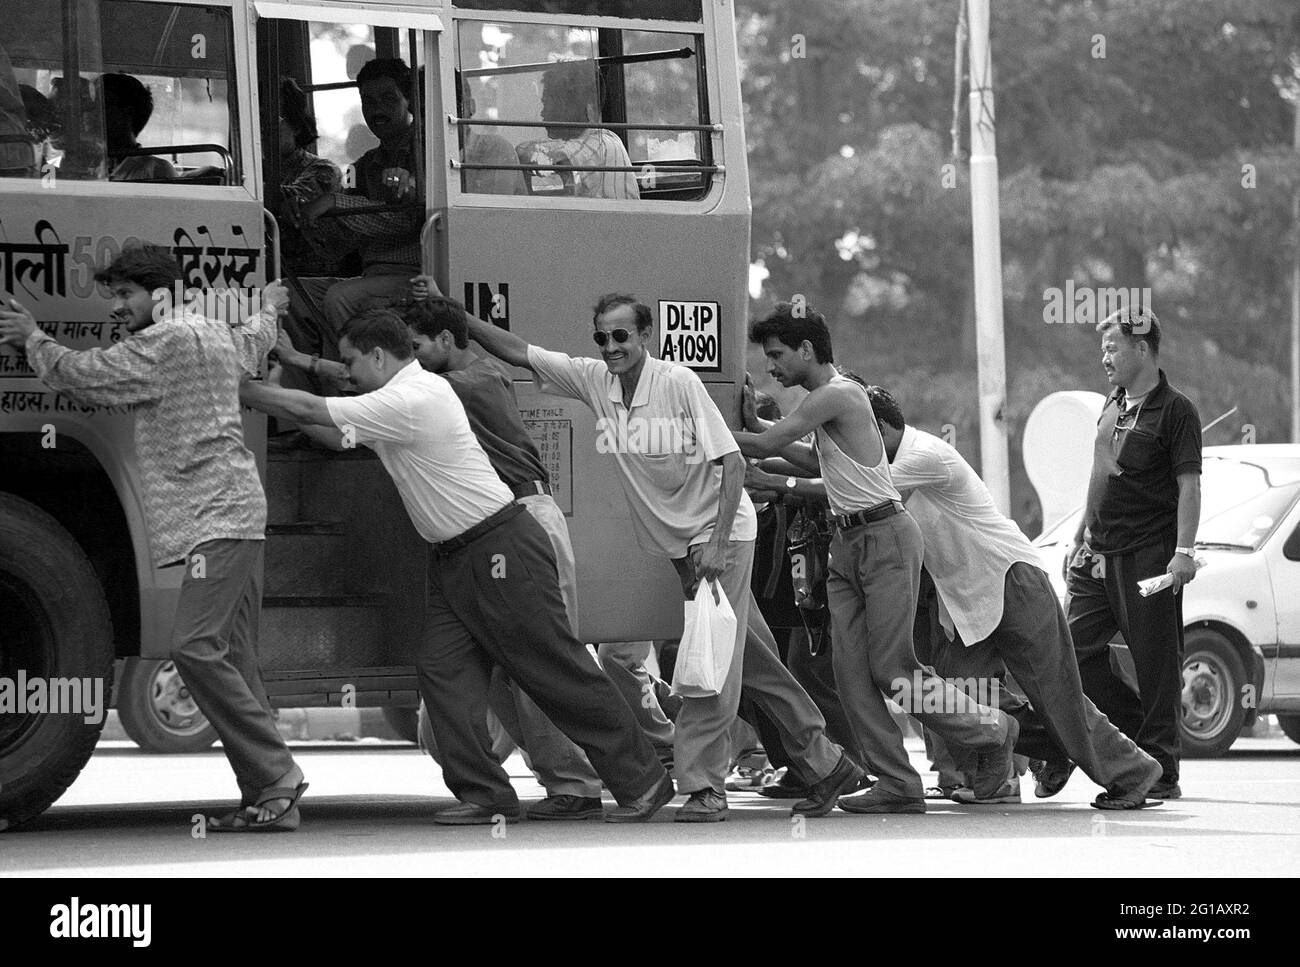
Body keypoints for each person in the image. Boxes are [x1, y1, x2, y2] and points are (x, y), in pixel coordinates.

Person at [239, 309, 674, 825]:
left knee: (555, 669)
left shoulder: (411, 397)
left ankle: (643, 782)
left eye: (352, 361)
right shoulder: (394, 403)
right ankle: (486, 794)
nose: (349, 372)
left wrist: (241, 388)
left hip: (499, 548)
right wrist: (274, 393)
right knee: (441, 672)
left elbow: (316, 407)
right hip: (455, 557)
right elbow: (335, 434)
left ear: (379, 356)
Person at [463, 293, 861, 822]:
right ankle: (827, 762)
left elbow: (733, 465)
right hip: (682, 548)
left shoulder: (677, 382)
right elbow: (519, 351)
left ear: (645, 336)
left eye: (622, 336)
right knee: (749, 659)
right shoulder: (594, 380)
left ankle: (703, 786)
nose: (611, 347)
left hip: (719, 539)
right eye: (602, 337)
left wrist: (717, 544)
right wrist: (456, 316)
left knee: (709, 664)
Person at [0, 248, 308, 831]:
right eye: (114, 296)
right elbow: (254, 341)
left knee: (194, 647)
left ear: (161, 293)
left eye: (126, 295)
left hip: (213, 517)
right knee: (234, 657)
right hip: (235, 510)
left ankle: (279, 777)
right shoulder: (214, 333)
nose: (118, 308)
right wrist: (269, 308)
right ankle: (269, 795)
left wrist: (32, 337)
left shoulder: (160, 344)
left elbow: (82, 378)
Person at [734, 303, 1017, 814]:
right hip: (846, 545)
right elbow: (800, 455)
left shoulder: (839, 393)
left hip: (885, 536)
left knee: (894, 670)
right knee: (848, 675)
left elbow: (770, 442)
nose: (771, 368)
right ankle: (897, 784)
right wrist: (750, 425)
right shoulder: (823, 406)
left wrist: (699, 427)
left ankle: (993, 729)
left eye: (776, 356)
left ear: (806, 349)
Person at [860, 384, 1163, 808]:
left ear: (876, 427)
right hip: (968, 602)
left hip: (1012, 580)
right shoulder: (894, 459)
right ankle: (1046, 751)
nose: (849, 447)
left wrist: (770, 464)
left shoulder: (920, 455)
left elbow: (858, 494)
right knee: (958, 694)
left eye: (850, 432)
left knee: (1059, 697)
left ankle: (1135, 773)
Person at [405, 294, 606, 820]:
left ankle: (579, 784)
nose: (410, 359)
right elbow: (496, 345)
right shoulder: (481, 369)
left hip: (518, 520)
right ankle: (563, 777)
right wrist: (452, 310)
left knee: (537, 663)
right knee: (502, 669)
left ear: (446, 341)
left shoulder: (452, 387)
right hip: (501, 527)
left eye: (415, 346)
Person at [1067, 306, 1201, 800]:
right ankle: (1134, 740)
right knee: (1073, 655)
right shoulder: (1114, 401)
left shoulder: (1177, 410)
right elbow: (1098, 473)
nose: (1104, 358)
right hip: (1095, 555)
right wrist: (1080, 534)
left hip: (1149, 556)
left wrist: (1183, 552)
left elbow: (1190, 486)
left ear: (1141, 349)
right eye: (1103, 349)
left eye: (1112, 348)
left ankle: (1161, 769)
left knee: (1156, 663)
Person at [296, 58, 429, 347]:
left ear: (410, 101)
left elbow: (407, 221)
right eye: (368, 101)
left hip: (416, 277)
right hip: (370, 276)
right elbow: (339, 243)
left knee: (340, 297)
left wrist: (334, 203)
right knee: (291, 294)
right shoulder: (363, 166)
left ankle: (350, 381)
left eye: (388, 99)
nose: (377, 110)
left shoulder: (426, 152)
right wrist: (308, 218)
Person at [517, 61, 640, 200]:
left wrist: (529, 156)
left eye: (552, 103)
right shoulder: (574, 144)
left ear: (589, 109)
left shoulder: (602, 142)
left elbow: (560, 164)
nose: (543, 113)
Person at [274, 78, 344, 278]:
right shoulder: (251, 172)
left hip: (305, 276)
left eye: (270, 120)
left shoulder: (323, 170)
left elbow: (292, 200)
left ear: (296, 126)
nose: (261, 129)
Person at [100, 73, 177, 182]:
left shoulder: (156, 171)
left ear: (127, 113)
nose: (89, 114)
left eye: (104, 106)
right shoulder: (88, 166)